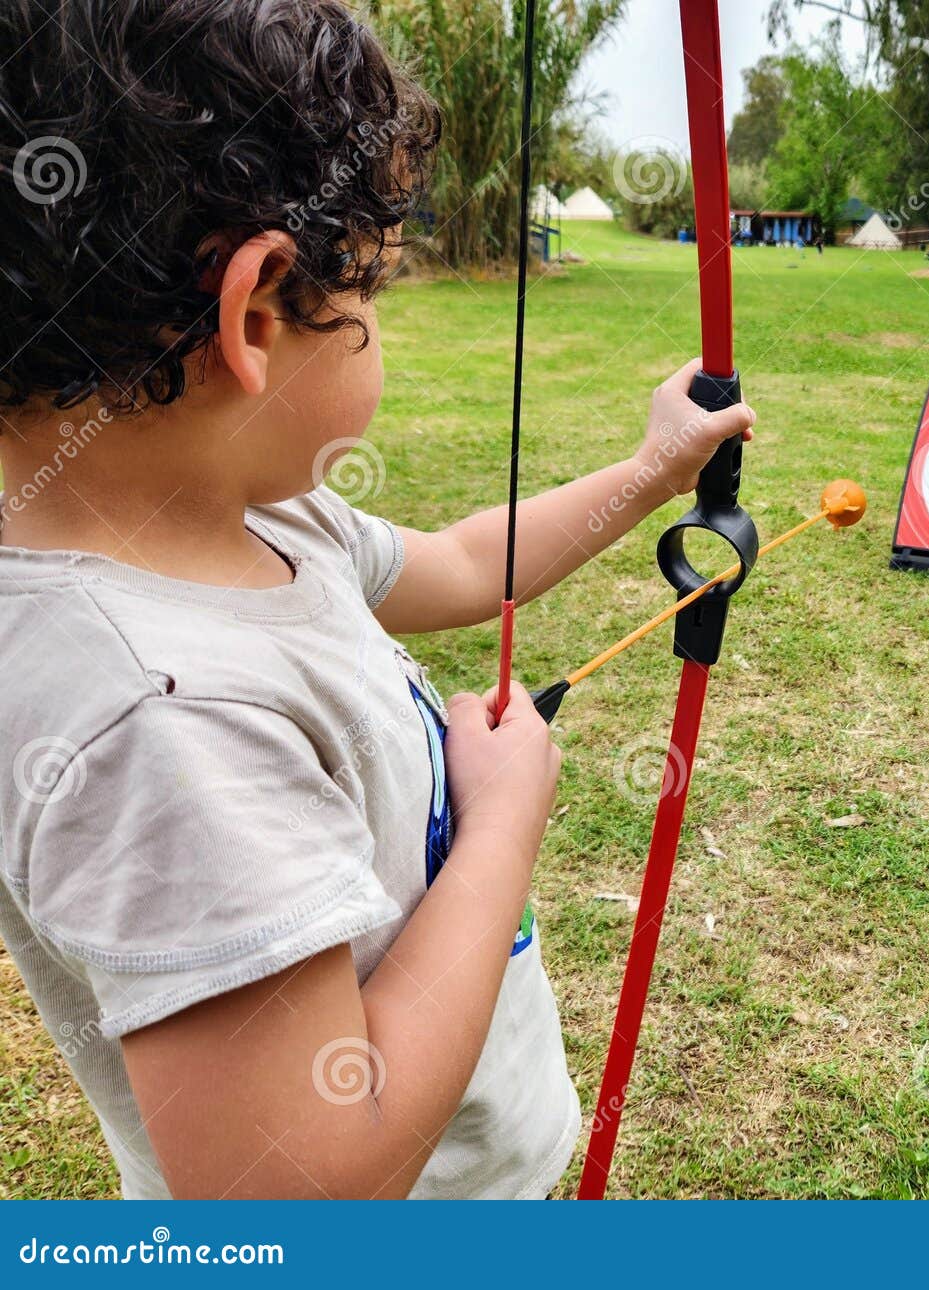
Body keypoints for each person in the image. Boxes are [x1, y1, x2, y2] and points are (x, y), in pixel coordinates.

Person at [0, 0, 755, 1201]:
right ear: (256, 312)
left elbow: (456, 563)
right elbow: (304, 1188)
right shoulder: (154, 720)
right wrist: (502, 827)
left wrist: (651, 471)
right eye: (377, 295)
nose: (381, 322)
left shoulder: (245, 508)